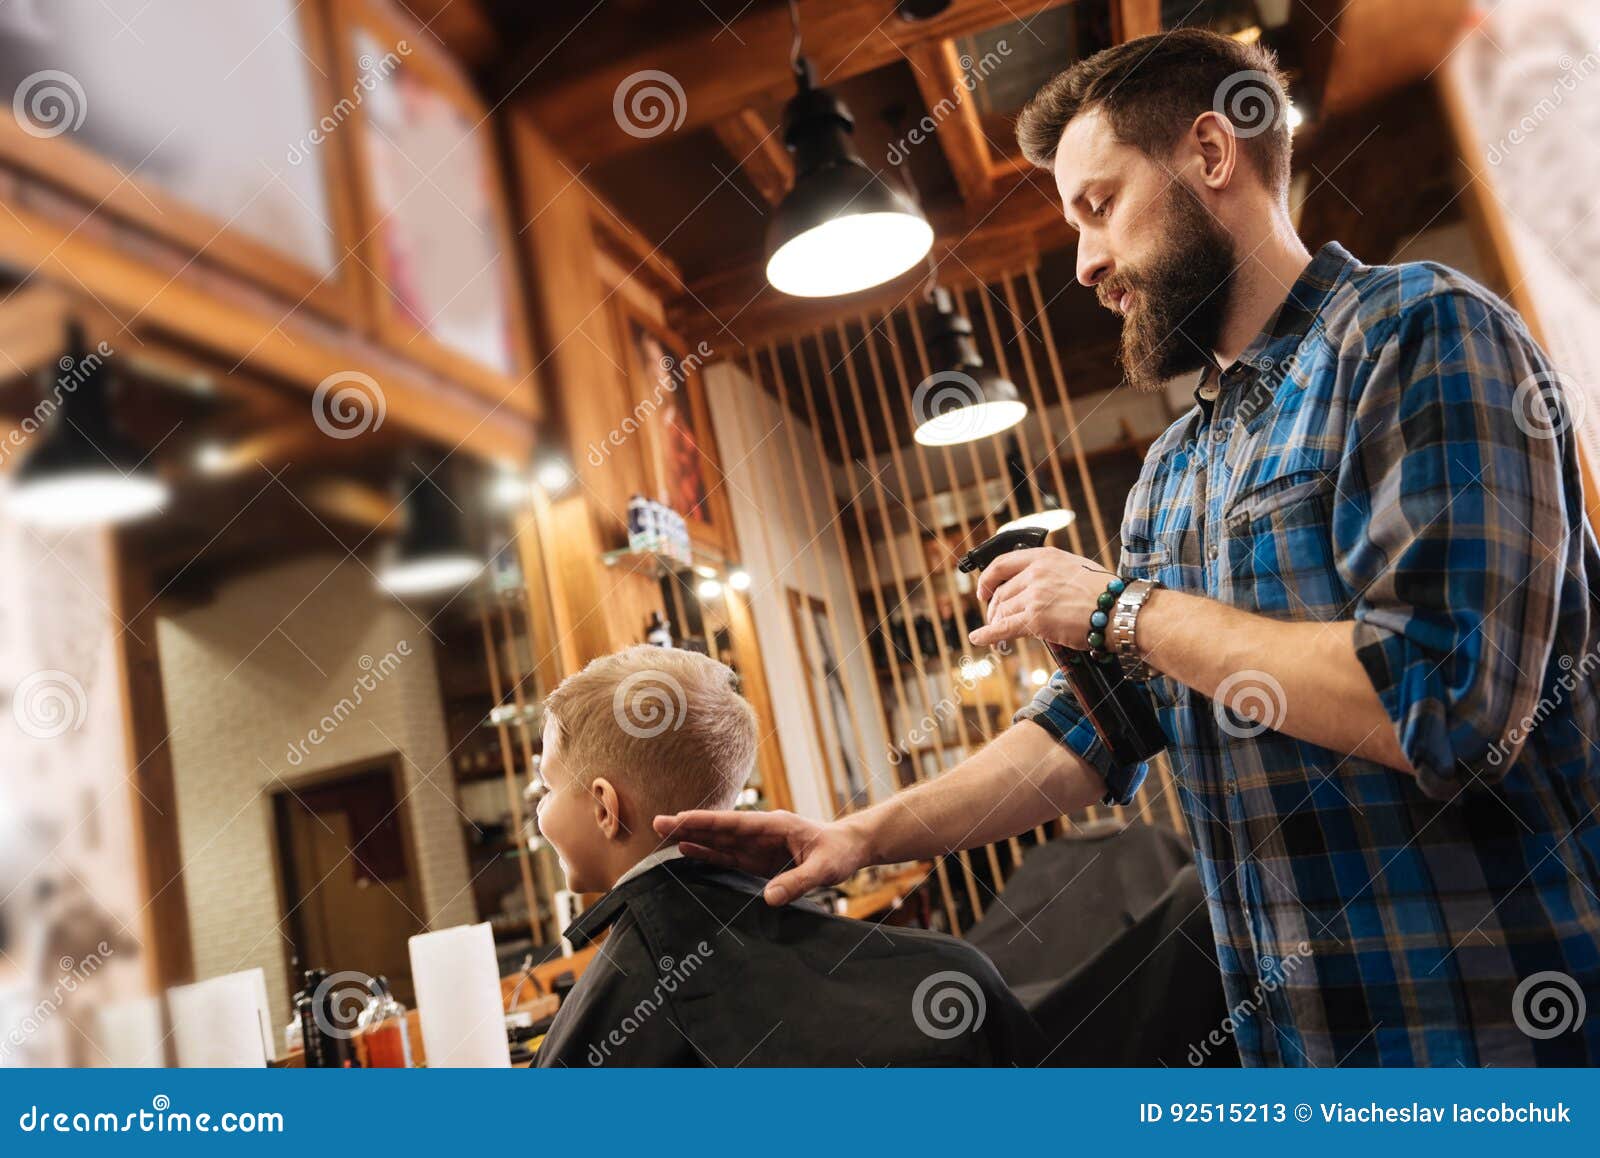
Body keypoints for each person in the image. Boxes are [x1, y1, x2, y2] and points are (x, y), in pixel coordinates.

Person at [659, 28, 1600, 1067]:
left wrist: (1120, 609)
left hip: (1504, 1038)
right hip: (1300, 1058)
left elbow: (1445, 703)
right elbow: (1088, 730)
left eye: (1099, 206)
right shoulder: (1173, 470)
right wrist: (863, 836)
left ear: (1210, 153)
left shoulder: (1415, 332)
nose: (1084, 262)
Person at [532, 645, 1043, 1067]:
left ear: (604, 806)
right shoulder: (955, 971)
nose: (539, 808)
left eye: (547, 787)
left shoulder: (615, 1014)